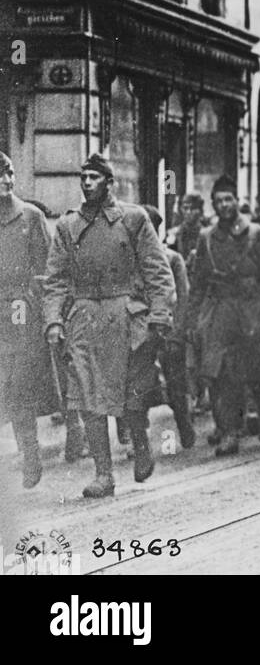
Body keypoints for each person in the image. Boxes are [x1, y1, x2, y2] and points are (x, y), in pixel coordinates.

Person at [43, 154, 175, 498]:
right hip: (84, 319)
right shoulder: (67, 225)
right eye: (83, 177)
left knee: (131, 395)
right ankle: (103, 474)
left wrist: (159, 315)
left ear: (109, 183)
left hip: (126, 318)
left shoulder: (134, 219)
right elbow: (56, 279)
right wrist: (54, 320)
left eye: (94, 178)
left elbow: (157, 271)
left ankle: (141, 444)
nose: (87, 183)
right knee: (88, 397)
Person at [187, 176, 260, 457]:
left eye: (228, 199)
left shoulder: (257, 234)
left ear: (237, 200)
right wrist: (191, 321)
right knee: (219, 373)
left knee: (252, 370)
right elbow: (198, 285)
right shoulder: (207, 238)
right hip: (220, 311)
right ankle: (229, 431)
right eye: (218, 201)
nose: (224, 205)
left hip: (252, 310)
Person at [0, 151, 54, 487]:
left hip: (19, 308)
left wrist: (49, 317)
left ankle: (30, 454)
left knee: (19, 385)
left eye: (10, 174)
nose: (6, 181)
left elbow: (46, 273)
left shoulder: (31, 217)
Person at [142, 205, 195, 450]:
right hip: (141, 332)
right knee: (137, 386)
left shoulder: (172, 259)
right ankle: (137, 439)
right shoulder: (131, 259)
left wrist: (178, 333)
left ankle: (184, 425)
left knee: (176, 385)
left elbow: (183, 298)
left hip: (168, 331)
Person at [167, 193, 207, 270]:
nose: (188, 212)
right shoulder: (174, 234)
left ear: (200, 211)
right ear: (181, 210)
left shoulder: (206, 235)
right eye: (185, 208)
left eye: (193, 208)